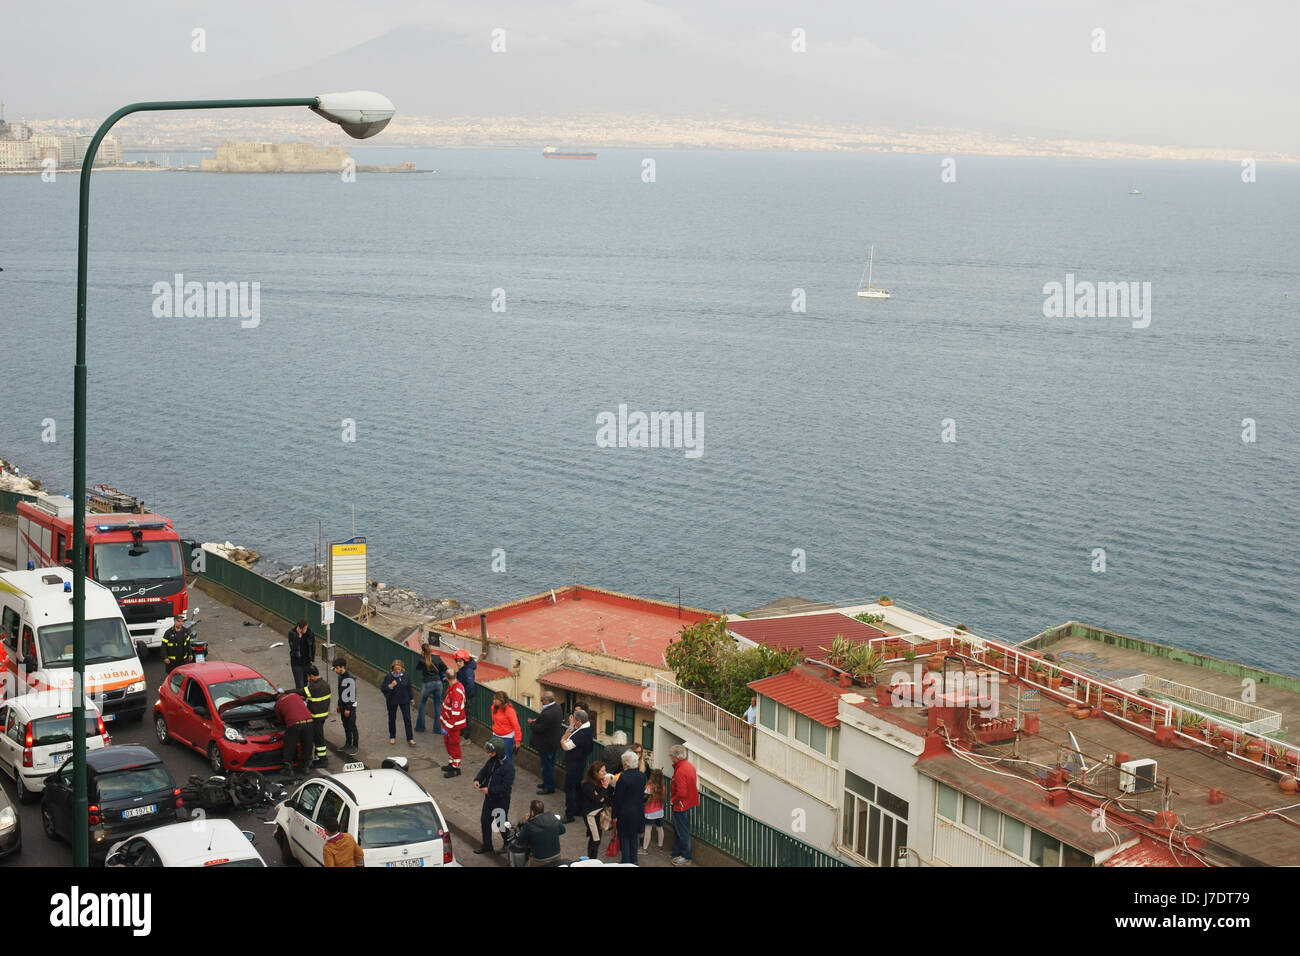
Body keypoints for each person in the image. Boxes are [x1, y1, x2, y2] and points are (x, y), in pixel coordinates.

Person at [472, 739, 515, 854]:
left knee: (501, 823)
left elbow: (505, 787)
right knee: (485, 821)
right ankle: (487, 845)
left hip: (501, 800)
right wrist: (478, 779)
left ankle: (507, 843)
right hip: (489, 799)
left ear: (498, 752)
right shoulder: (492, 761)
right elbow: (484, 771)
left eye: (491, 752)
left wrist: (489, 790)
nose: (489, 754)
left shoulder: (509, 767)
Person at [612, 750, 647, 864]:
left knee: (625, 838)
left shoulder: (624, 777)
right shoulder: (642, 776)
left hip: (625, 812)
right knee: (634, 837)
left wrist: (614, 814)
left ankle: (626, 862)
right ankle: (634, 862)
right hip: (638, 811)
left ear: (625, 763)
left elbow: (618, 798)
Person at [560, 707, 594, 822]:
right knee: (579, 786)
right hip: (581, 761)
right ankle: (579, 809)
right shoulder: (589, 727)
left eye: (574, 720)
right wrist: (571, 725)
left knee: (569, 788)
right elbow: (573, 730)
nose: (573, 722)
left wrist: (562, 740)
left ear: (579, 721)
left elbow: (566, 746)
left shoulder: (581, 734)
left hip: (574, 764)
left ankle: (569, 814)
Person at [668, 744, 699, 865]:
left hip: (681, 804)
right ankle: (677, 852)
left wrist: (673, 800)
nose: (670, 757)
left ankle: (685, 856)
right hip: (688, 802)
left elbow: (681, 792)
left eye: (671, 755)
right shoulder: (689, 766)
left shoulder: (680, 770)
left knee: (682, 831)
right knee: (680, 829)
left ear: (675, 757)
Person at [273, 689, 314, 776]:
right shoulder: (295, 695)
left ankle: (288, 769)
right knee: (307, 744)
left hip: (294, 724)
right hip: (309, 721)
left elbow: (280, 719)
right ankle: (305, 767)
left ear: (277, 697)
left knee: (289, 746)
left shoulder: (278, 703)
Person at [528, 692, 563, 795]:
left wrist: (532, 723)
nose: (541, 701)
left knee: (546, 766)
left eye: (542, 700)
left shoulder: (548, 713)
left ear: (547, 700)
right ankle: (547, 783)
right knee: (549, 765)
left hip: (546, 744)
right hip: (553, 742)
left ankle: (549, 787)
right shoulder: (557, 707)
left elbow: (539, 728)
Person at [515, 799, 565, 866]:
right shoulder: (552, 817)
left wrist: (527, 822)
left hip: (539, 860)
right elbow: (563, 830)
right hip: (557, 856)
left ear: (532, 811)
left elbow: (520, 839)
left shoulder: (529, 825)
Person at [577, 760, 611, 859]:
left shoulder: (600, 781)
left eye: (605, 770)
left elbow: (605, 798)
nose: (605, 773)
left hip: (599, 813)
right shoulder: (587, 784)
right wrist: (604, 789)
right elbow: (597, 799)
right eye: (602, 771)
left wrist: (601, 795)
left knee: (596, 838)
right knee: (596, 839)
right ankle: (592, 860)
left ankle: (591, 859)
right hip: (590, 814)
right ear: (595, 773)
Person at [414, 643, 447, 734]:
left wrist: (421, 657)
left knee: (422, 704)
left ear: (423, 651)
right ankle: (437, 729)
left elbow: (418, 668)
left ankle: (420, 727)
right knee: (437, 705)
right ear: (431, 649)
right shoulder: (437, 658)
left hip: (427, 684)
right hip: (438, 683)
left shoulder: (422, 660)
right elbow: (444, 668)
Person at [302, 664, 332, 766]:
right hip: (323, 716)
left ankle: (322, 759)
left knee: (318, 739)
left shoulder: (314, 687)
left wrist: (285, 692)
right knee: (319, 737)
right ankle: (319, 756)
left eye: (308, 676)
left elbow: (301, 691)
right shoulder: (325, 684)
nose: (308, 679)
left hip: (316, 717)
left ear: (311, 676)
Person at [440, 664, 467, 777]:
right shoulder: (453, 687)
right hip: (449, 724)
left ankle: (456, 768)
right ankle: (451, 764)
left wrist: (447, 727)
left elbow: (455, 713)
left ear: (446, 678)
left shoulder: (456, 691)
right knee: (449, 744)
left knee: (454, 745)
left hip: (453, 725)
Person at [381, 659, 414, 746]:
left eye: (399, 669)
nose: (398, 671)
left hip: (404, 700)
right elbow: (383, 688)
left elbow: (409, 687)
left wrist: (412, 699)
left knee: (407, 719)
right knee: (392, 719)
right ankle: (392, 736)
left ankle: (410, 738)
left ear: (402, 668)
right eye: (396, 669)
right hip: (392, 700)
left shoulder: (406, 675)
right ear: (393, 669)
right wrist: (391, 686)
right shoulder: (389, 677)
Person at [333, 656, 359, 756]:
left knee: (352, 725)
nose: (335, 670)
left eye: (336, 668)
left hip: (350, 707)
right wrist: (339, 704)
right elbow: (341, 693)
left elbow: (351, 694)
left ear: (342, 667)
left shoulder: (349, 678)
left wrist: (348, 708)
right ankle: (348, 743)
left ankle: (355, 746)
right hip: (343, 705)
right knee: (345, 725)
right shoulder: (341, 677)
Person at [489, 690, 522, 760]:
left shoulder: (510, 711)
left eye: (496, 699)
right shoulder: (493, 707)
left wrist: (517, 741)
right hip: (495, 735)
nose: (493, 701)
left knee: (506, 758)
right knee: (494, 757)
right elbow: (494, 720)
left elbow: (516, 726)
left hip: (507, 738)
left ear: (502, 700)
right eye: (493, 699)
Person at [454, 649, 477, 742]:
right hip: (463, 696)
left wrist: (465, 696)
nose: (458, 663)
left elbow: (470, 685)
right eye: (457, 661)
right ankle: (462, 735)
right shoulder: (464, 669)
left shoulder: (468, 671)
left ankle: (466, 738)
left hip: (466, 698)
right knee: (462, 716)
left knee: (466, 717)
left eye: (460, 661)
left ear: (465, 661)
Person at [287, 618, 315, 692]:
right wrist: (298, 637)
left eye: (306, 627)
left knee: (306, 683)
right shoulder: (292, 634)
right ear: (299, 628)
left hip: (306, 662)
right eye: (305, 628)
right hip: (297, 663)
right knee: (299, 684)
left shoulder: (309, 633)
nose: (306, 629)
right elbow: (293, 648)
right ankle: (300, 699)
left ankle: (305, 700)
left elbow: (312, 647)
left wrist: (312, 659)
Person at [642, 768, 666, 852]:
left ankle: (644, 848)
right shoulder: (662, 787)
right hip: (659, 811)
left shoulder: (649, 787)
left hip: (650, 812)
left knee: (648, 829)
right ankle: (660, 847)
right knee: (660, 828)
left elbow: (644, 798)